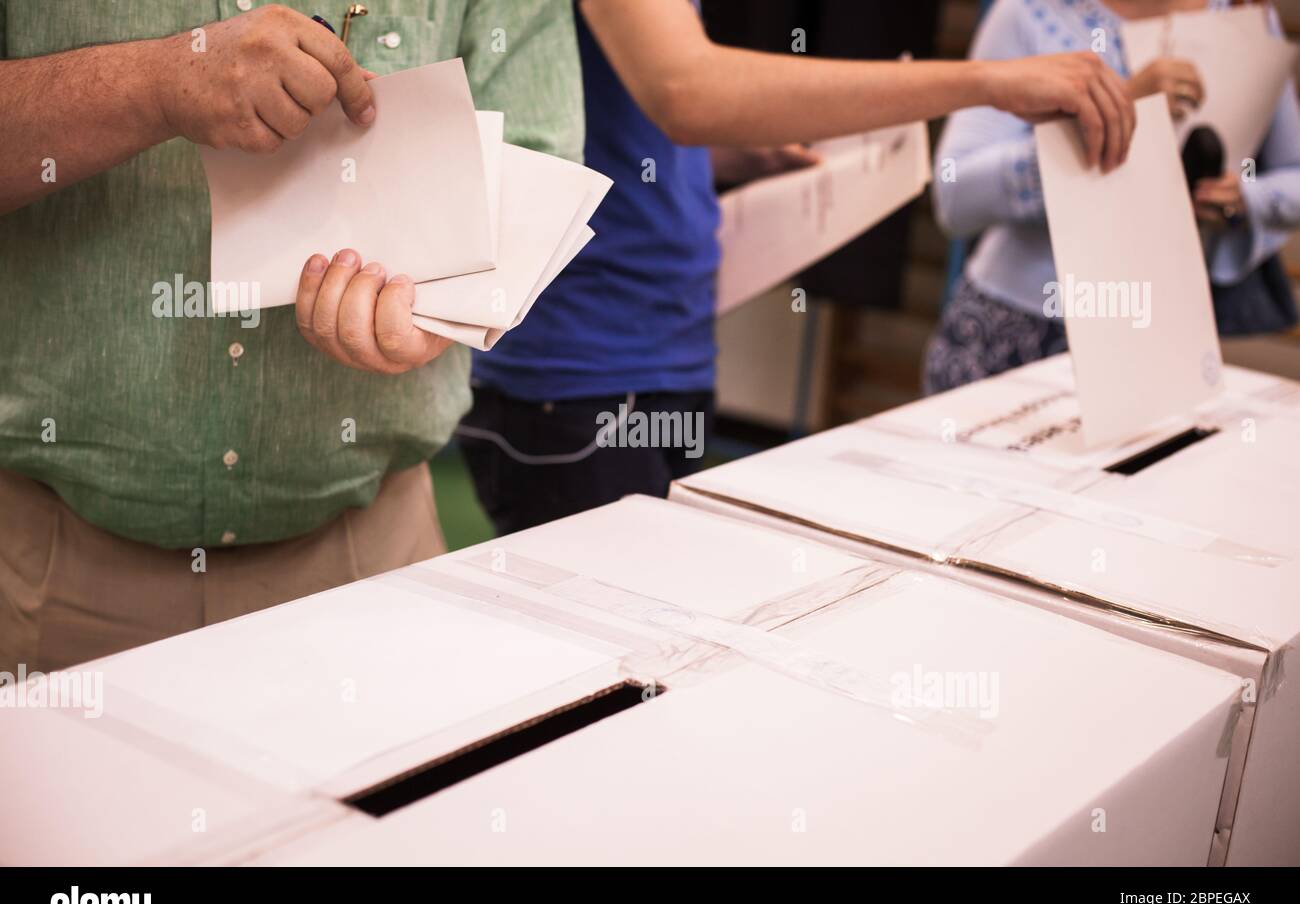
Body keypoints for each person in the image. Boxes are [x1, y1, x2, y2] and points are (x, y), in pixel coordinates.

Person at [0, 1, 584, 670]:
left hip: (374, 569)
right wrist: (155, 83)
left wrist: (444, 311)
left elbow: (538, 156)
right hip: (48, 578)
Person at [461, 0, 1136, 536]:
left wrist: (729, 159)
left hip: (661, 353)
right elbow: (687, 88)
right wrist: (985, 81)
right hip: (578, 372)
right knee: (606, 678)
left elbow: (615, 110)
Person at [925, 0, 1300, 393]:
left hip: (1161, 342)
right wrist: (1102, 120)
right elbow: (954, 193)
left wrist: (1243, 197)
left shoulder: (1245, 16)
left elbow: (1292, 176)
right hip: (1019, 333)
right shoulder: (1033, 11)